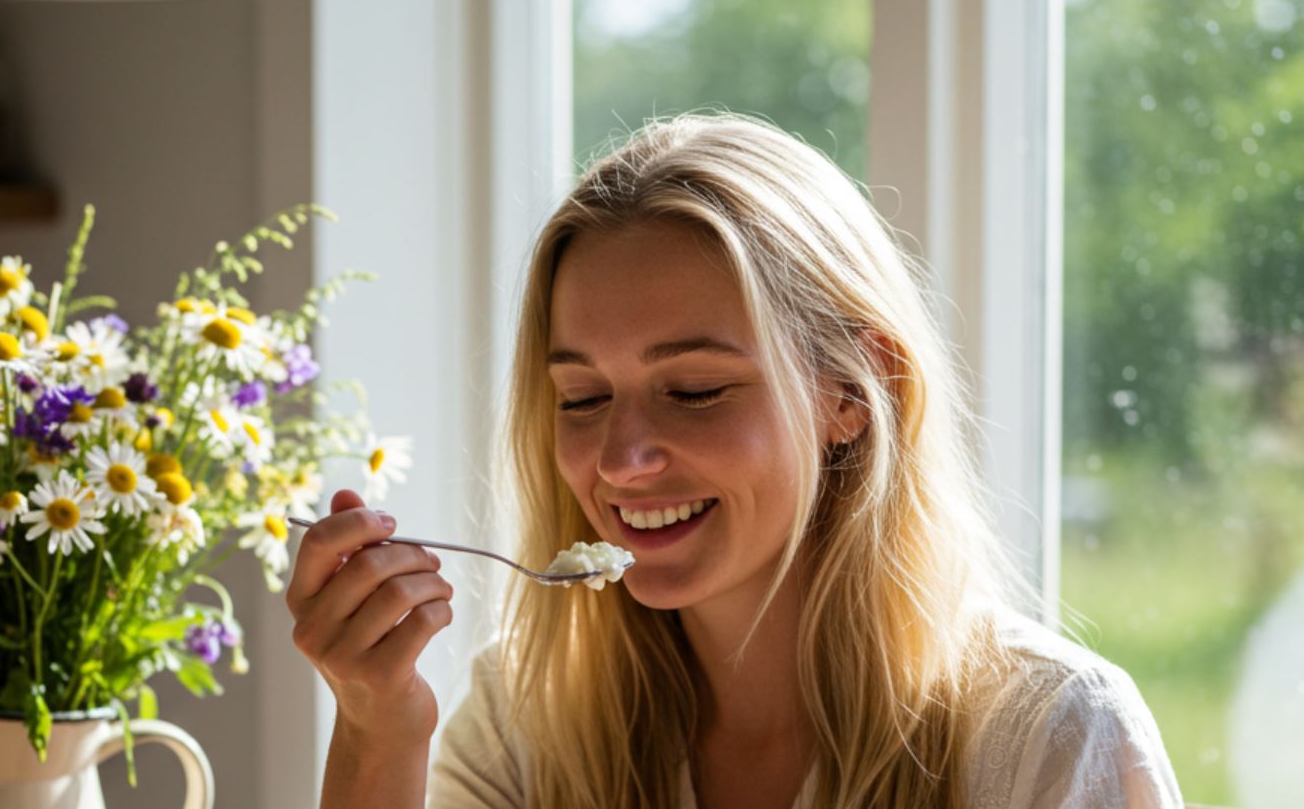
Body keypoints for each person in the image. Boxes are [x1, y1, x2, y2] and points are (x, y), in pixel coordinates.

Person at [286, 113, 1184, 808]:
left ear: (852, 393)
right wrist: (376, 729)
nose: (623, 459)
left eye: (696, 390)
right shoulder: (529, 719)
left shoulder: (1049, 736)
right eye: (583, 399)